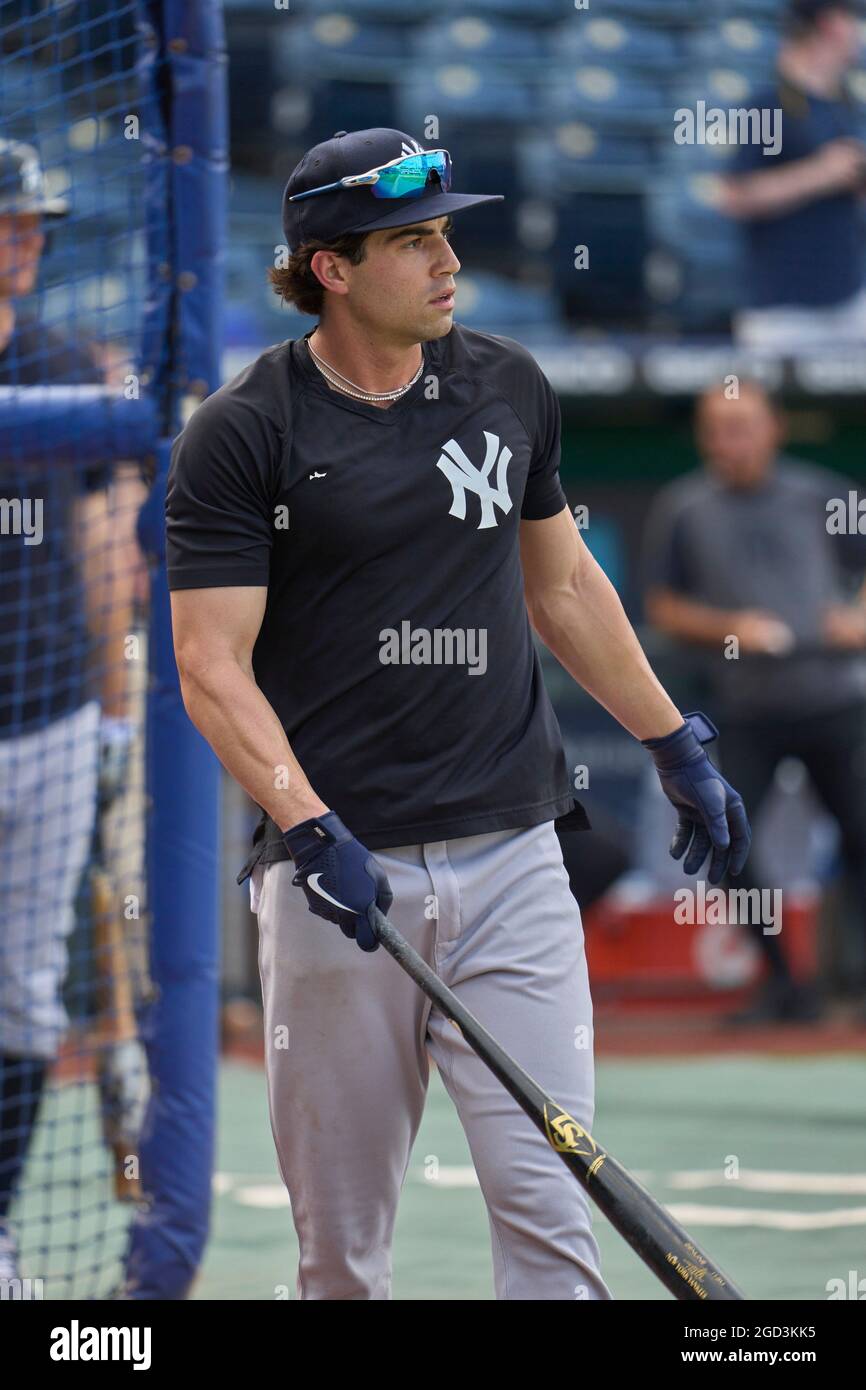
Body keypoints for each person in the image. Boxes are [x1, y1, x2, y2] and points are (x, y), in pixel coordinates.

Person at [166, 128, 750, 1301]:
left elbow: (565, 585)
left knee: (550, 1212)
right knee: (342, 1254)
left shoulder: (504, 384)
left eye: (448, 234)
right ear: (328, 266)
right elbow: (207, 664)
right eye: (413, 240)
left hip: (513, 854)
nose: (447, 262)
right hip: (338, 881)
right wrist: (304, 821)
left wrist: (667, 736)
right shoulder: (244, 431)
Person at [0, 139, 142, 1282]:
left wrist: (111, 710)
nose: (27, 240)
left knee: (26, 996)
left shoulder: (58, 360)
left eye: (36, 222)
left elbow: (104, 549)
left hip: (46, 715)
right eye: (10, 221)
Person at [642, 381, 866, 1024]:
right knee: (723, 837)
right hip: (745, 706)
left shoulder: (821, 494)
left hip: (833, 700)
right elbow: (662, 605)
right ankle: (786, 985)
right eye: (716, 429)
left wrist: (855, 617)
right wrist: (733, 627)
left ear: (774, 428)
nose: (728, 443)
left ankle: (850, 980)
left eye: (742, 427)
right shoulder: (684, 507)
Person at [722, 0, 866, 349]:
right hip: (782, 312)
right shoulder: (766, 103)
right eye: (851, 18)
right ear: (830, 25)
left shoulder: (847, 103)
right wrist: (820, 174)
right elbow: (733, 196)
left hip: (849, 300)